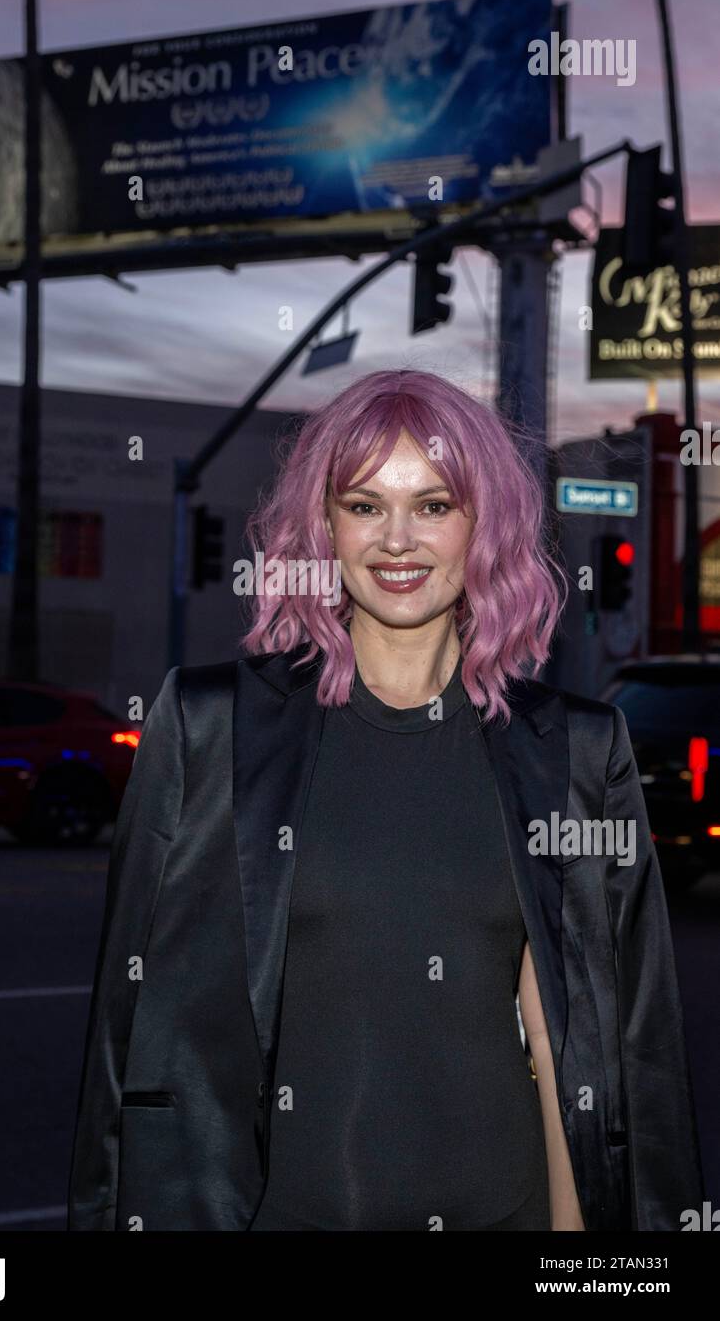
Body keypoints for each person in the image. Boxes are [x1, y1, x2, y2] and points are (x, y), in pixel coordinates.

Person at [68, 369, 704, 1232]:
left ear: (486, 525)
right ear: (323, 526)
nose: (397, 539)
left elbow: (593, 1048)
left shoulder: (577, 753)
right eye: (365, 505)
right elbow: (127, 1024)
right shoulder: (210, 726)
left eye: (434, 504)